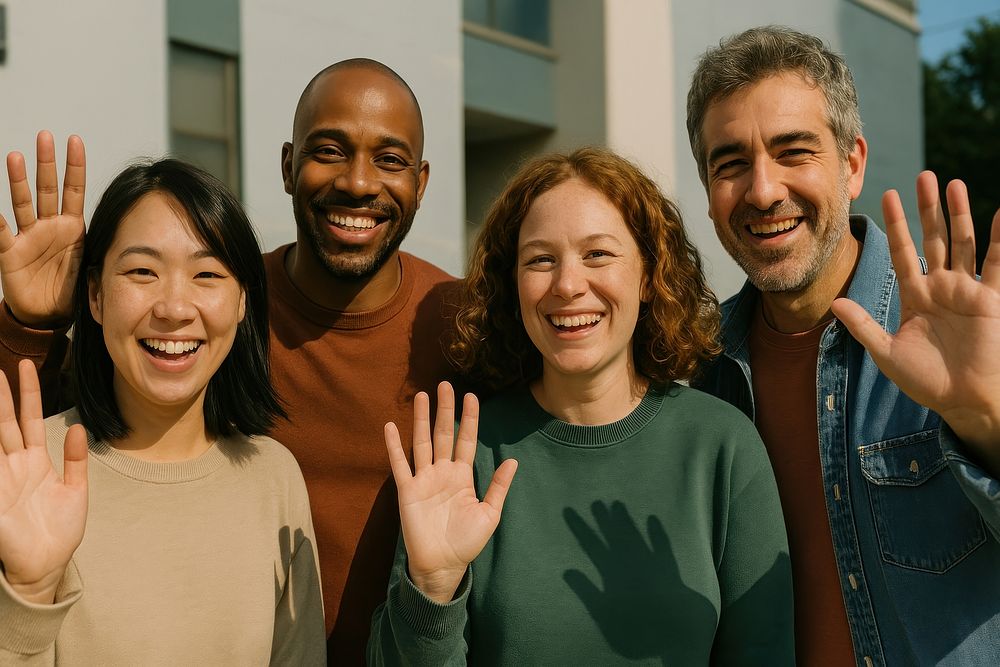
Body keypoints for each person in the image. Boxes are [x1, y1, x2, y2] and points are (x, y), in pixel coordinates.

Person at [0, 58, 459, 663]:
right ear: (288, 166)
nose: (357, 182)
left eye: (390, 159)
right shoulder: (209, 316)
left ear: (422, 182)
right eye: (329, 150)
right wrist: (31, 326)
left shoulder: (465, 324)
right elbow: (28, 457)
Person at [367, 148, 795, 665]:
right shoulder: (461, 455)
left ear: (646, 274)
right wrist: (432, 589)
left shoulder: (722, 446)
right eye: (541, 259)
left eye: (597, 254)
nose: (568, 285)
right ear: (514, 284)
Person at [686, 25, 1000, 666]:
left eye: (793, 151)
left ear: (852, 164)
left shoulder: (971, 337)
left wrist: (986, 421)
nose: (764, 190)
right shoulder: (695, 371)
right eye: (731, 164)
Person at [0, 156, 325, 664]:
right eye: (142, 271)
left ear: (242, 301)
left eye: (207, 274)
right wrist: (28, 591)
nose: (174, 307)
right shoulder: (28, 468)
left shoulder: (273, 477)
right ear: (95, 295)